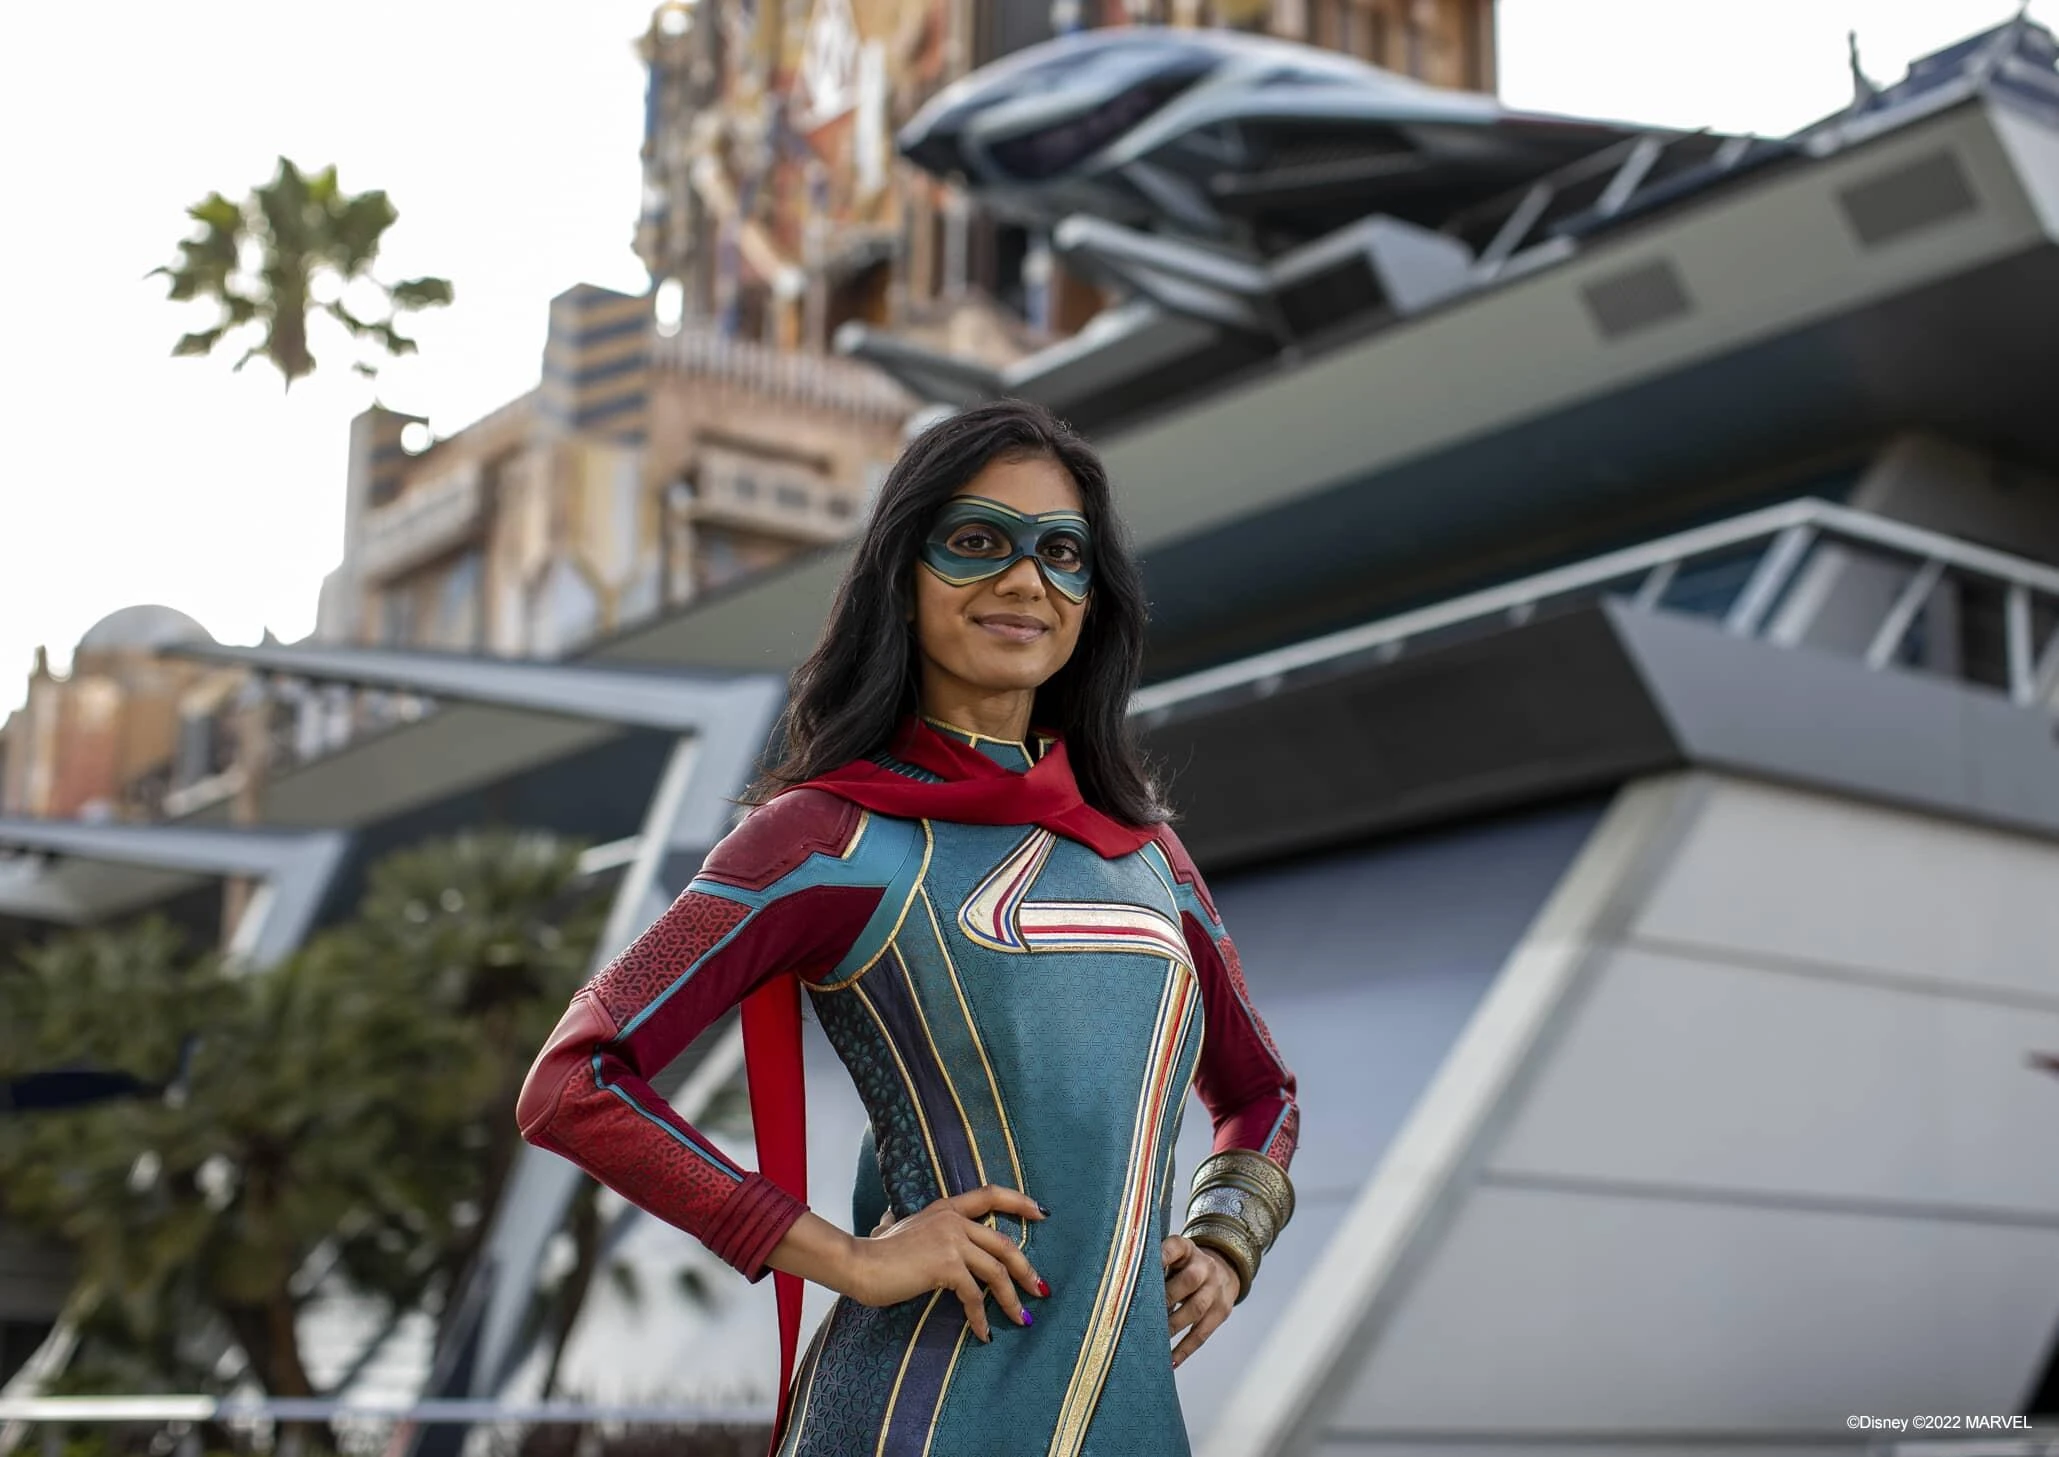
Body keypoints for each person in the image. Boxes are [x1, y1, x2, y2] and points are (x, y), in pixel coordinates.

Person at [517, 399, 1300, 1456]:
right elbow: (571, 1081)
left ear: (1091, 597)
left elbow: (1260, 1092)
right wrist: (845, 1257)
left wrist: (1226, 1241)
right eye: (978, 541)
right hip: (913, 1416)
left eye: (1061, 552)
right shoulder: (824, 835)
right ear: (902, 572)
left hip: (1133, 1418)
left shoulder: (1147, 853)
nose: (1024, 580)